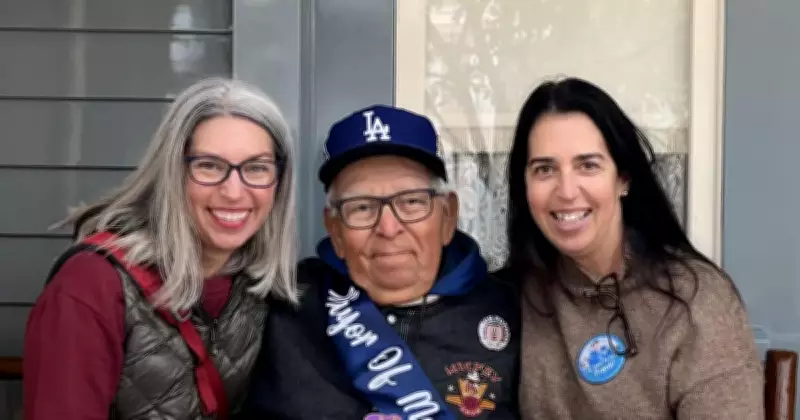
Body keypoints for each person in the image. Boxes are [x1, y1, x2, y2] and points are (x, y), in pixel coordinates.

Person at [23, 77, 298, 420]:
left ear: (279, 181)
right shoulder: (91, 285)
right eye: (208, 166)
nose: (233, 191)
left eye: (256, 168)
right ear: (171, 172)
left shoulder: (260, 289)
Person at [499, 77, 764, 419]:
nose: (566, 191)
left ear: (623, 179)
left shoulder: (695, 301)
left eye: (588, 165)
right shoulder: (511, 298)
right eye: (545, 169)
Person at [240, 105, 520, 419]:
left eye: (411, 201)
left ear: (447, 217)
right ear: (335, 230)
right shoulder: (282, 301)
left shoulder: (515, 313)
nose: (388, 228)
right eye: (362, 207)